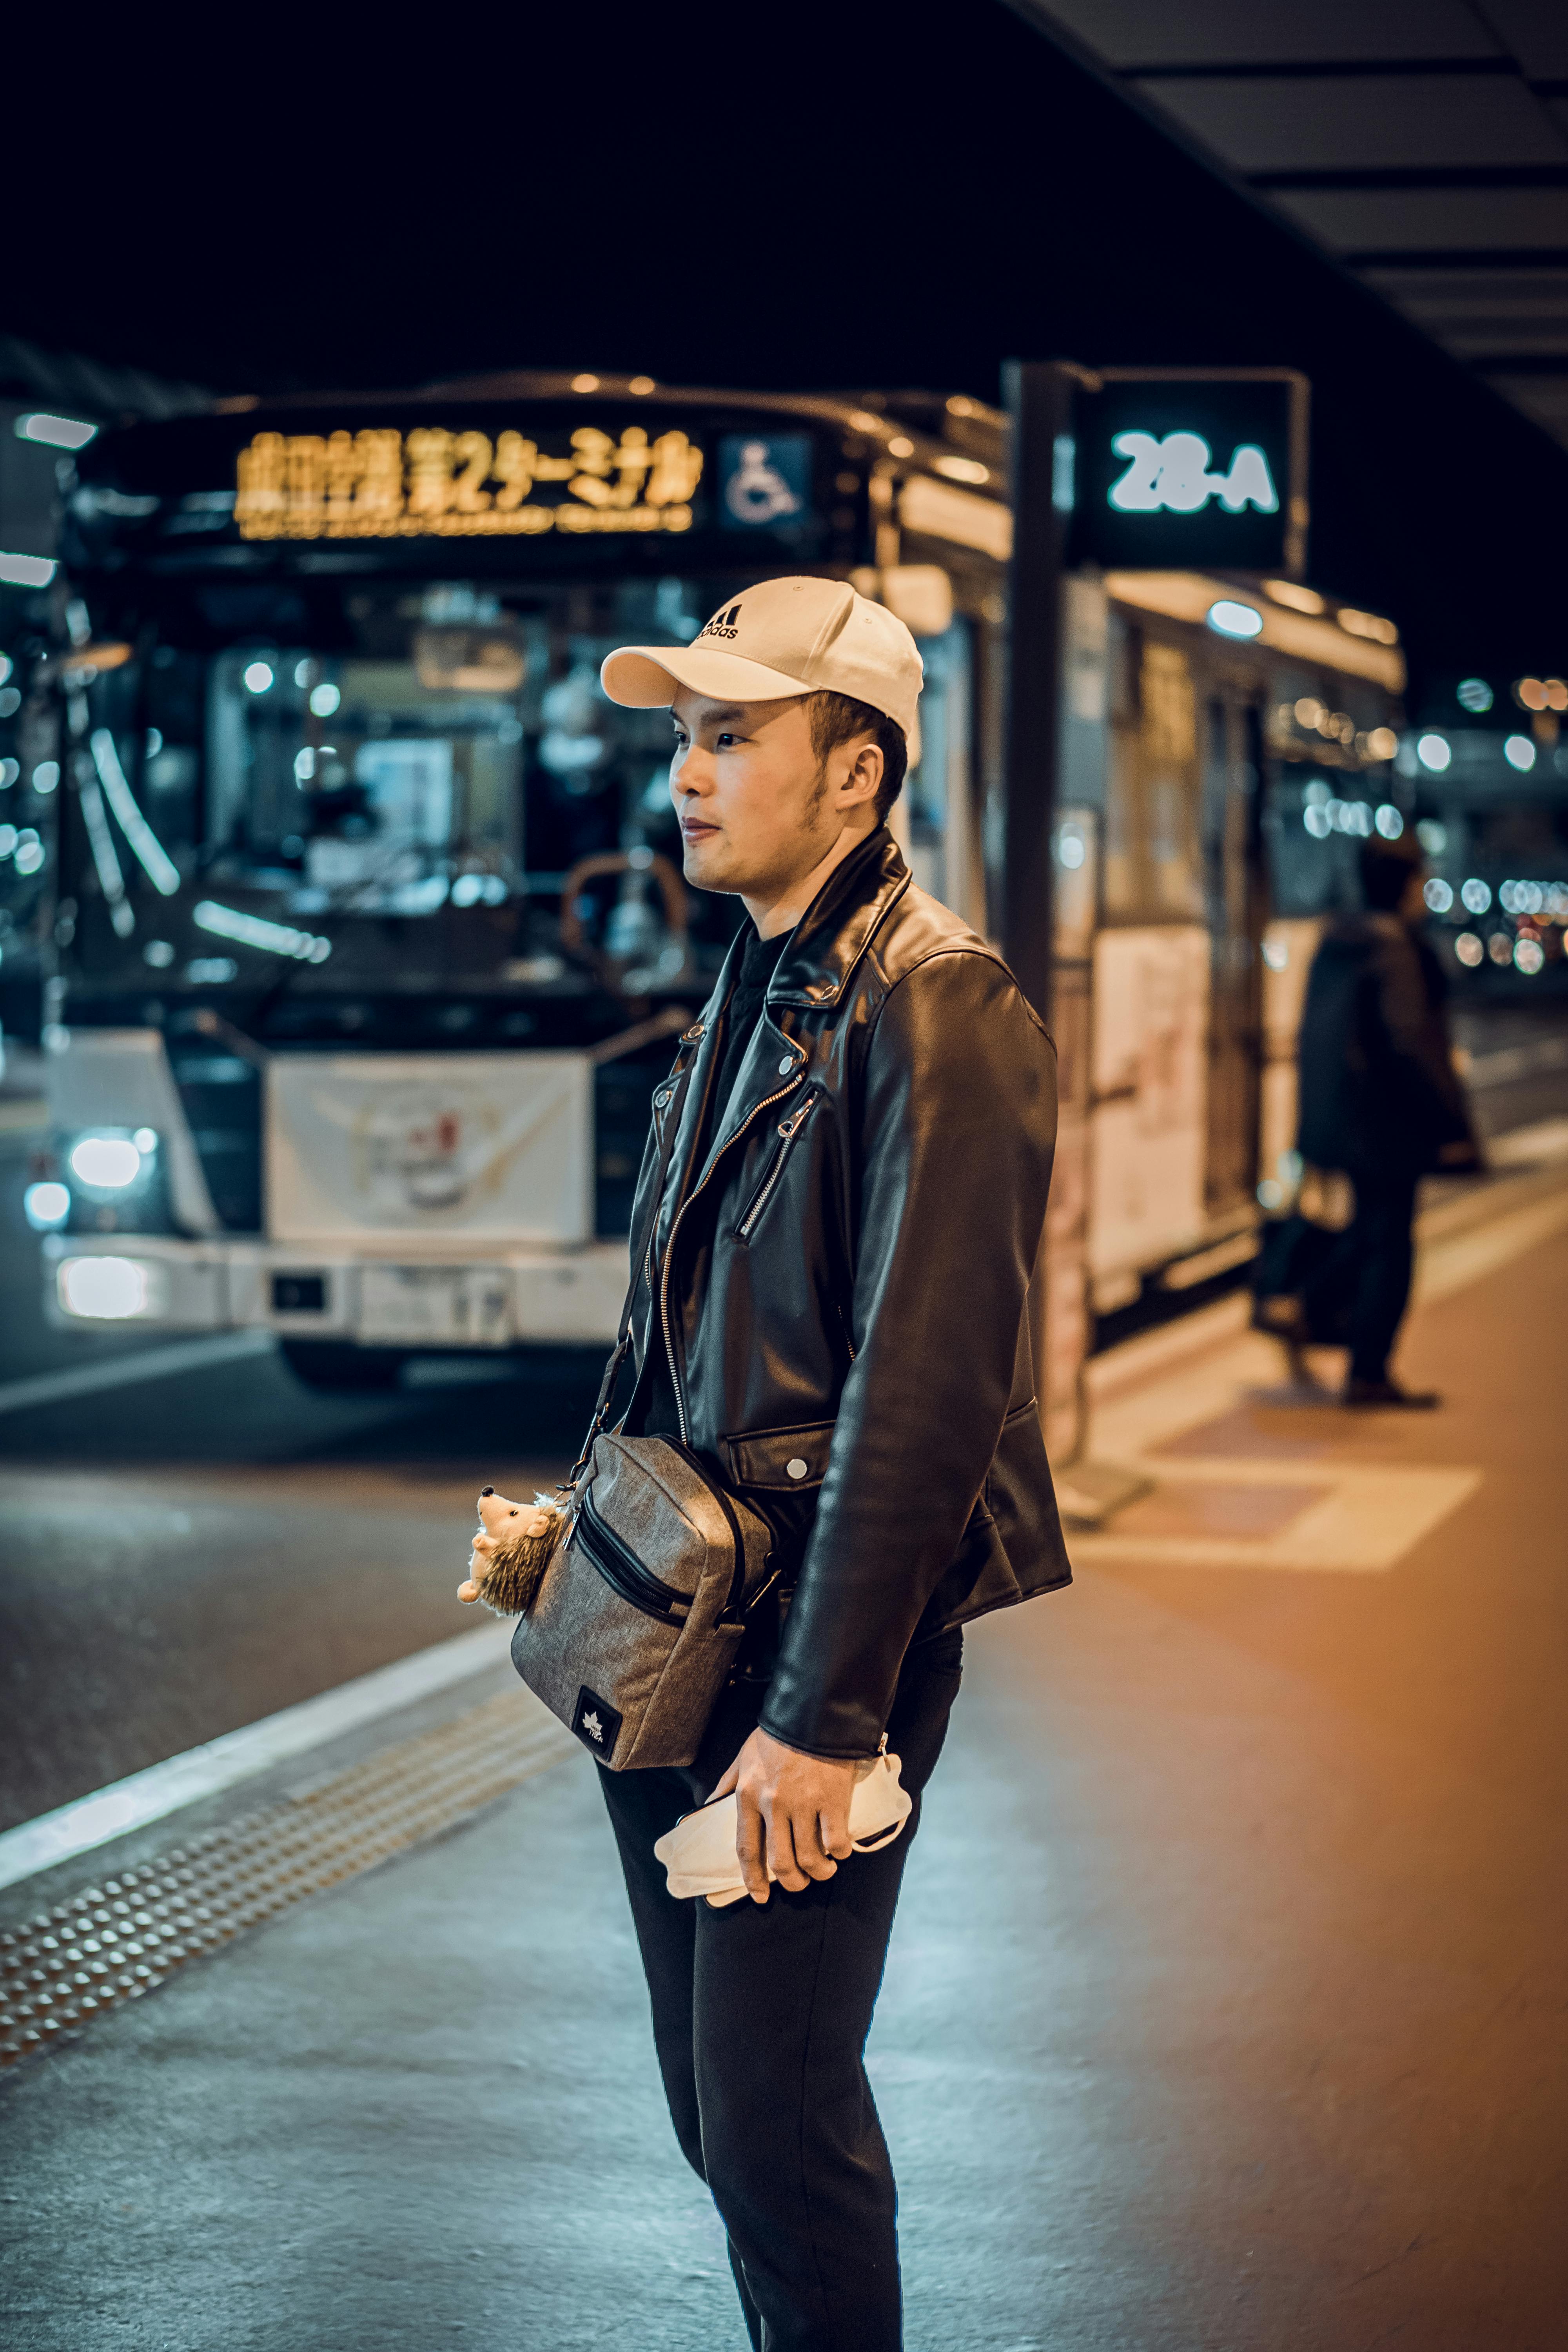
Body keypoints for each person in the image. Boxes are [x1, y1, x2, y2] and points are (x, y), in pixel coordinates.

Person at [586, 575, 1069, 2350]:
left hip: (800, 1649)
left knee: (776, 2123)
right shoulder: (756, 972)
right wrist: (584, 1515)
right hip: (679, 1623)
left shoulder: (937, 1003)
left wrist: (827, 1709)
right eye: (679, 737)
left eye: (729, 735)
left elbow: (925, 1393)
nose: (686, 774)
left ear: (854, 774)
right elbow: (686, 1306)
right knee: (719, 2112)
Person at [1285, 829, 1479, 1406]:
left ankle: (1308, 1307)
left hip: (1344, 1123)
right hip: (1388, 1129)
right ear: (1407, 884)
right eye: (1422, 879)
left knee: (1370, 1233)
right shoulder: (1394, 948)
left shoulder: (1337, 941)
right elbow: (1409, 1044)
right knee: (1390, 1247)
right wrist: (1450, 1122)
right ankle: (1367, 1370)